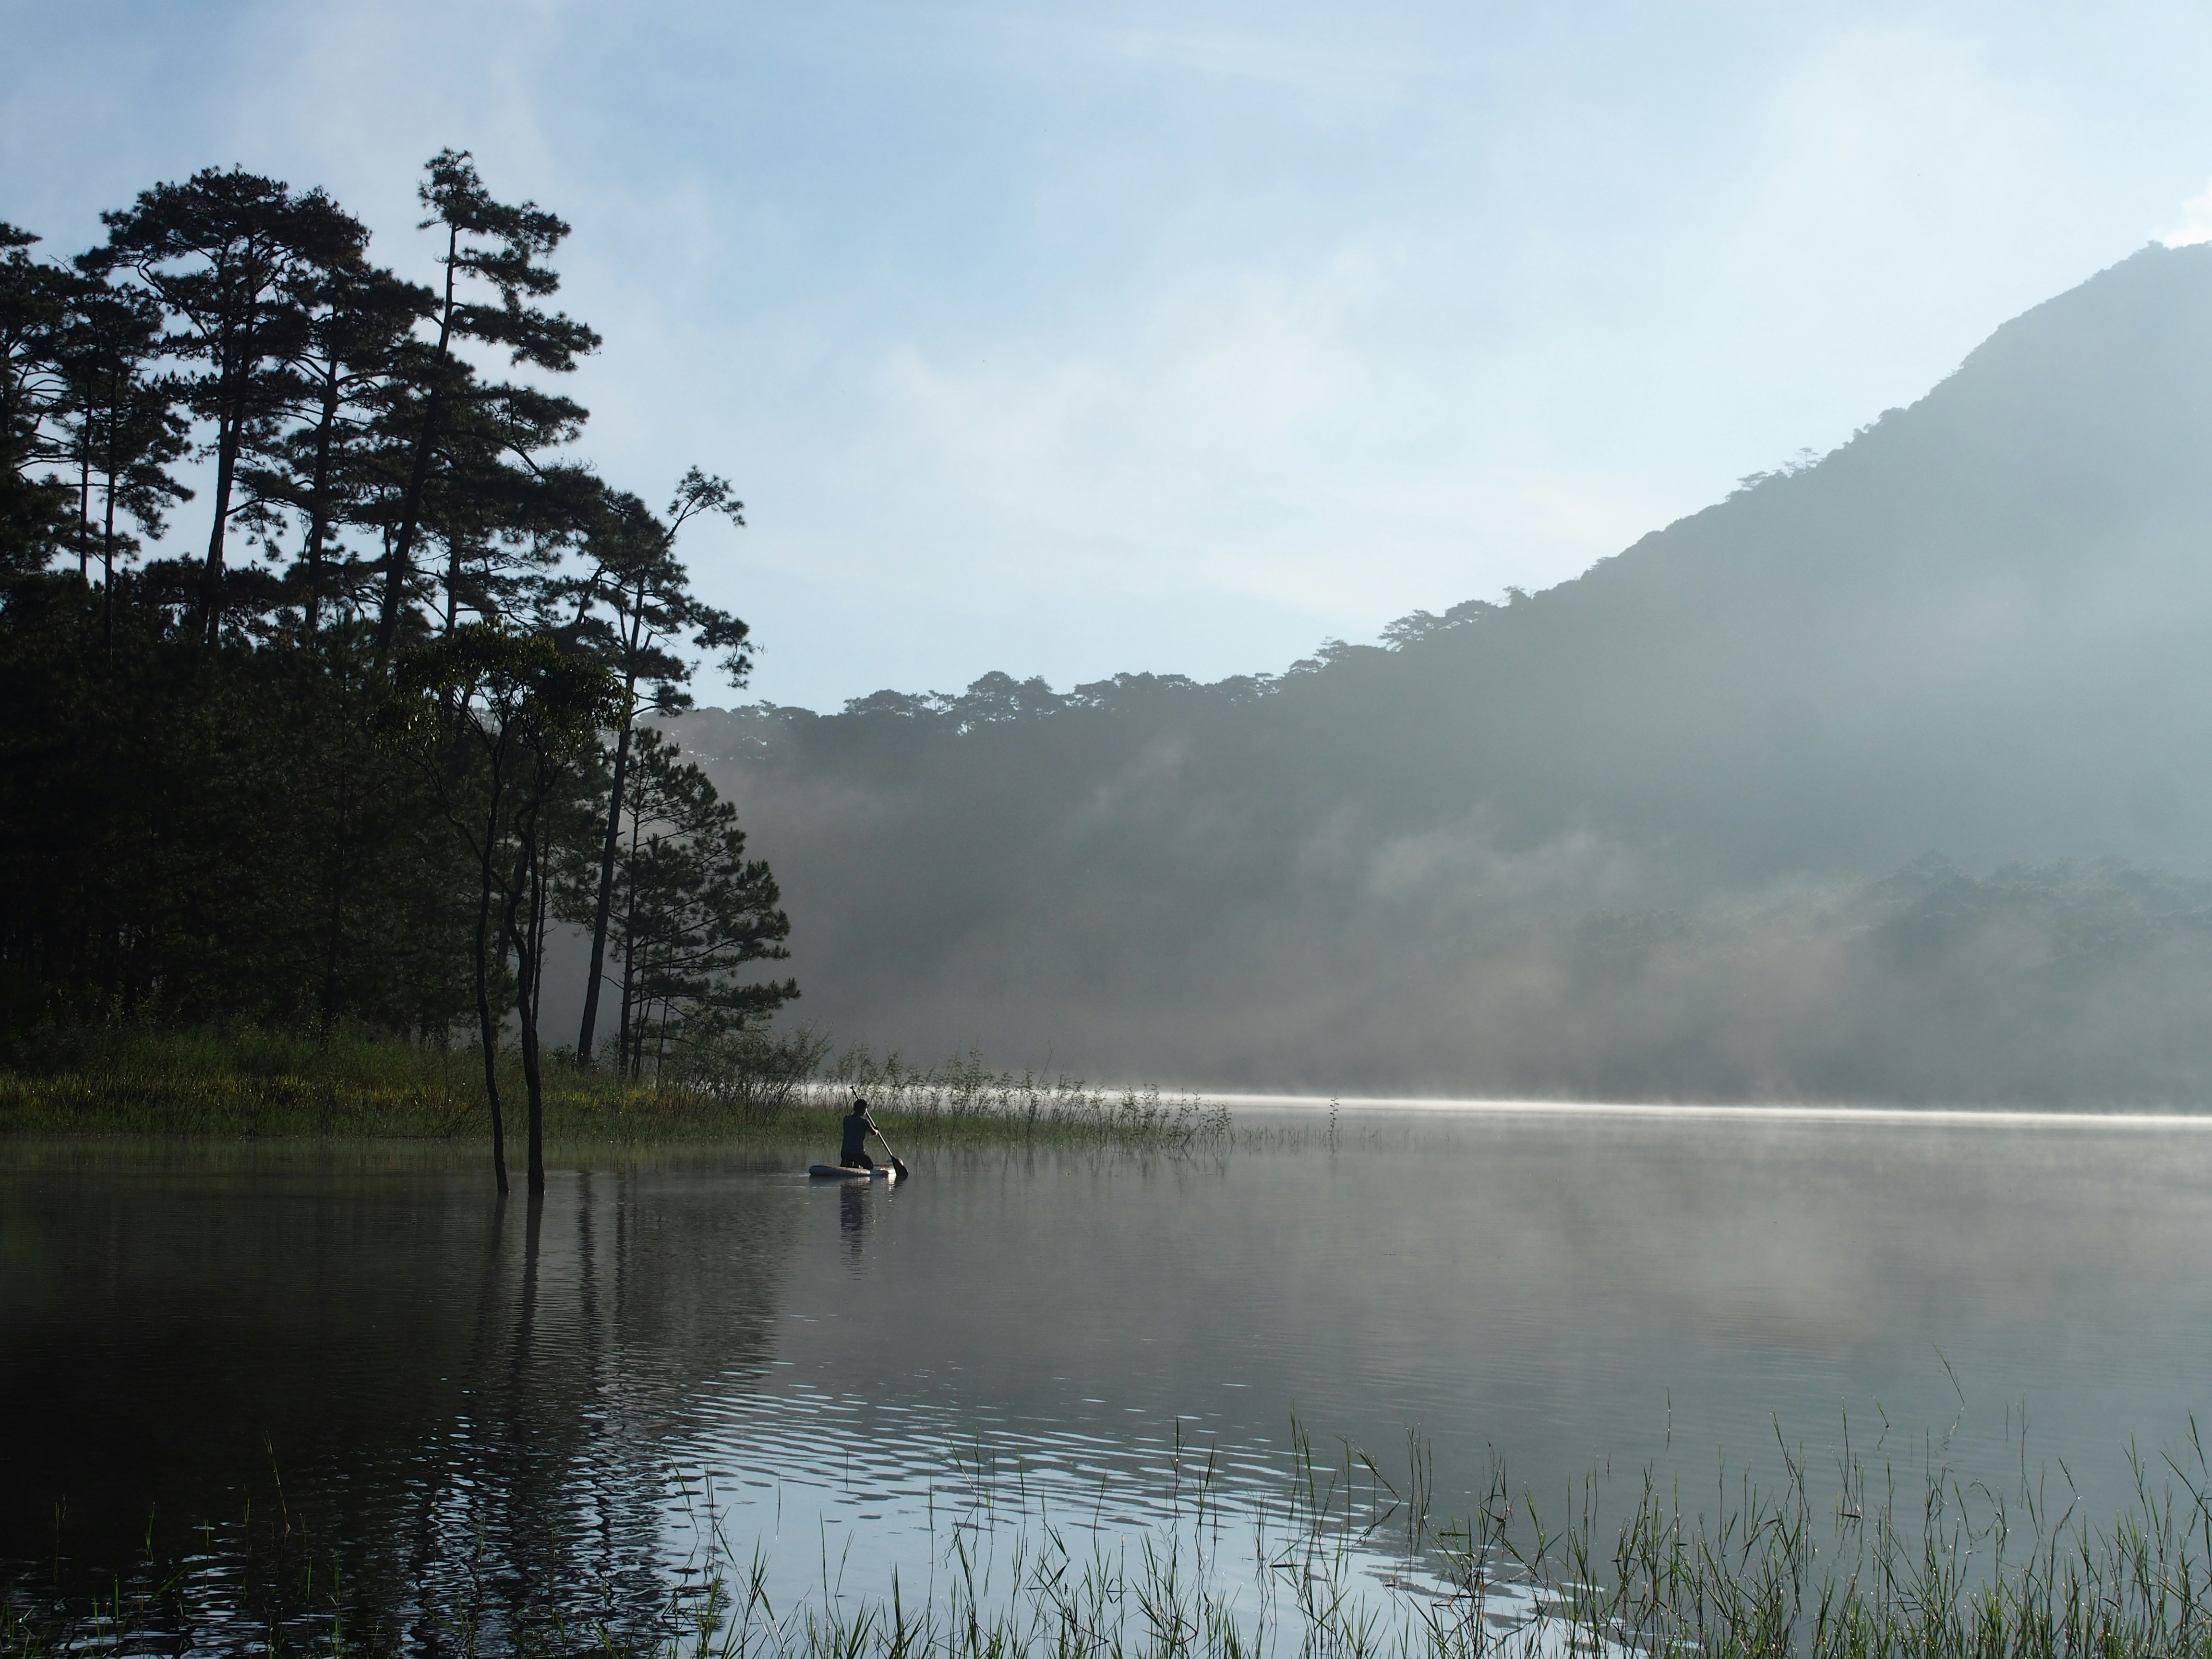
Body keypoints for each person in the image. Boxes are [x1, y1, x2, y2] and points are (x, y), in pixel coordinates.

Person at [839, 1097, 881, 1170]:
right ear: (864, 1109)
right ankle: (856, 1165)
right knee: (870, 1166)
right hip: (857, 1154)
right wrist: (877, 1131)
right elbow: (874, 1133)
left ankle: (850, 1164)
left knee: (849, 1159)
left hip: (845, 1153)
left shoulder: (846, 1119)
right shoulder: (865, 1122)